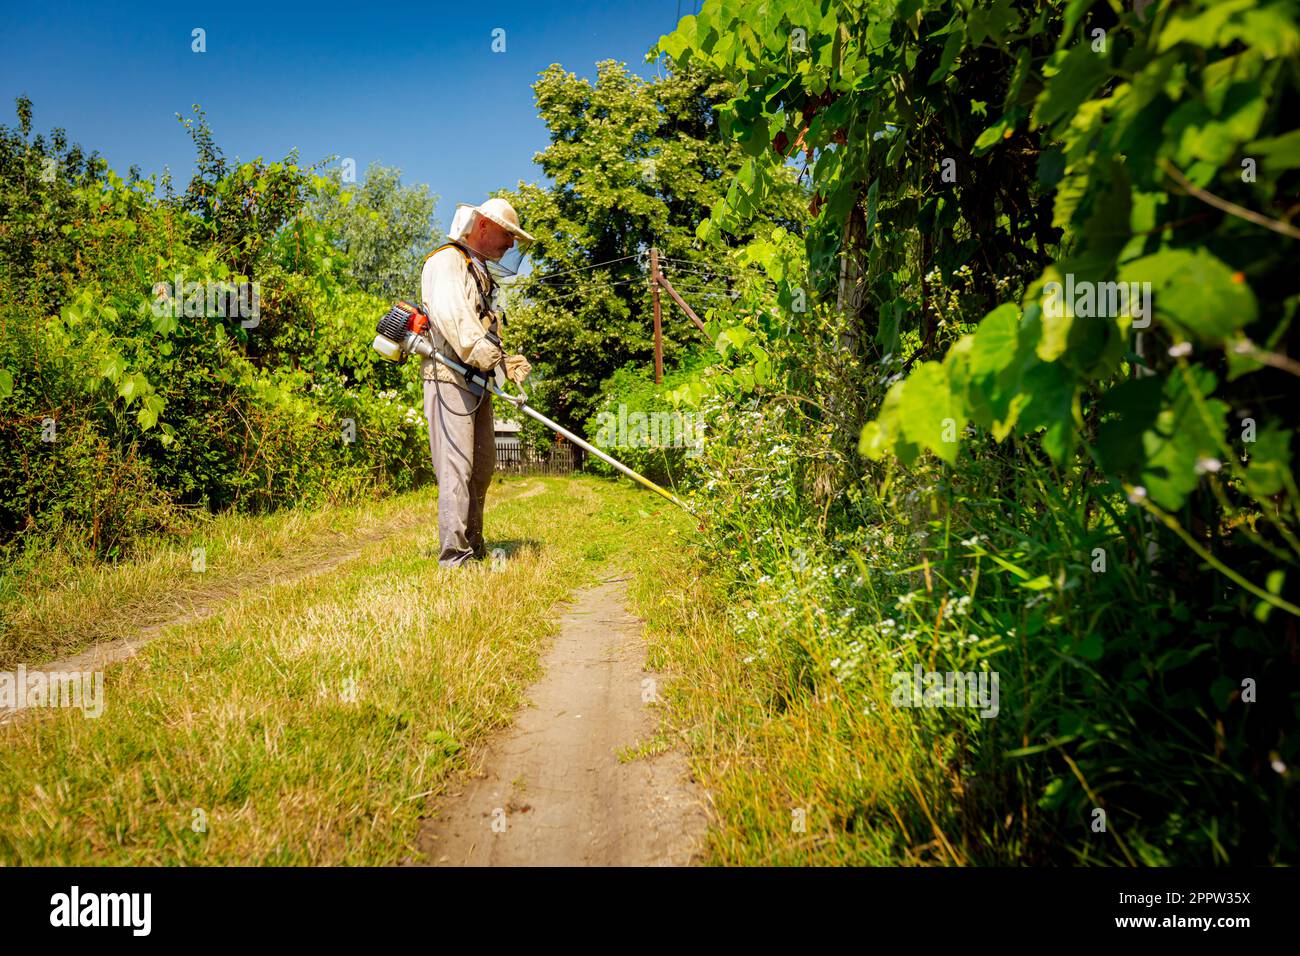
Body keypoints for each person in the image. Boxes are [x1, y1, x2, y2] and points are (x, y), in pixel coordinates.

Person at [420, 197, 534, 567]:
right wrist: (494, 358)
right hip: (449, 378)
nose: (511, 245)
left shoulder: (477, 269)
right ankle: (454, 558)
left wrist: (503, 363)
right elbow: (458, 325)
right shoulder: (447, 261)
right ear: (483, 225)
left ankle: (473, 542)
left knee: (482, 466)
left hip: (478, 380)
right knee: (457, 468)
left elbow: (483, 329)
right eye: (507, 234)